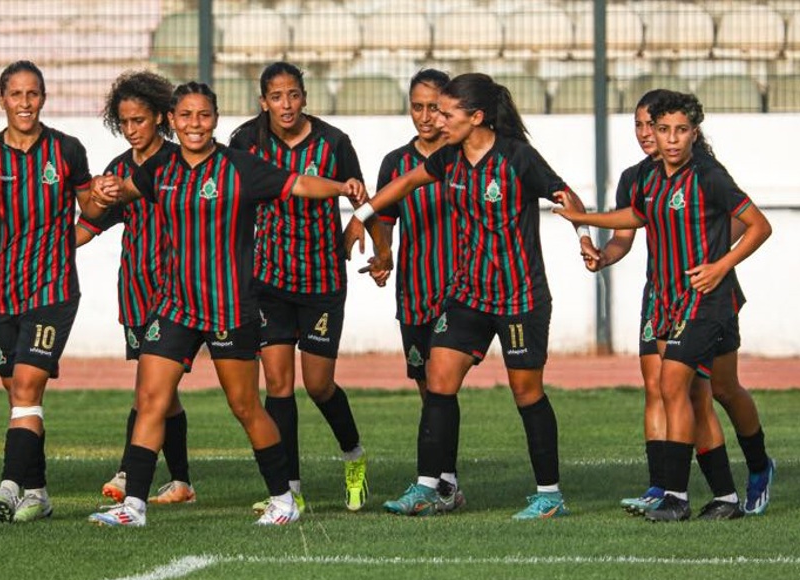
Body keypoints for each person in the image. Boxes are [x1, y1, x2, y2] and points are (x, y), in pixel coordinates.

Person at [85, 82, 393, 527]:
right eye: (186, 116)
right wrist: (103, 192)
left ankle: (283, 499)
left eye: (204, 116)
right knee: (151, 400)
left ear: (215, 119)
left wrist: (341, 188)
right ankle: (133, 506)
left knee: (246, 405)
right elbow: (119, 198)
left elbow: (300, 183)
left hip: (229, 308)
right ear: (172, 120)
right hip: (174, 307)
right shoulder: (160, 167)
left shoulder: (239, 167)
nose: (195, 124)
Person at [357, 73, 584, 520]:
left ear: (476, 117)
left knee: (527, 392)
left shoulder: (516, 157)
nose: (438, 121)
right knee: (438, 380)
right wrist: (361, 215)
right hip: (468, 297)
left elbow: (564, 193)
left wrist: (585, 234)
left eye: (446, 113)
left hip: (519, 297)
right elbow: (403, 184)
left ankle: (550, 494)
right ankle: (431, 487)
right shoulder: (448, 159)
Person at [556, 91, 773, 521]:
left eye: (678, 130)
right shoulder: (644, 178)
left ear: (694, 132)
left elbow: (756, 225)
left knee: (699, 388)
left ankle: (730, 476)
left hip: (707, 300)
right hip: (665, 301)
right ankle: (716, 497)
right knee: (688, 391)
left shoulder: (708, 175)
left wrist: (718, 264)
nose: (662, 137)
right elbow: (632, 220)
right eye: (655, 128)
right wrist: (585, 223)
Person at [0, 61, 99, 524]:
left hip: (53, 290)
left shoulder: (67, 149)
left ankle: (10, 486)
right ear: (2, 101)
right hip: (4, 294)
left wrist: (103, 196)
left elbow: (89, 205)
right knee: (20, 397)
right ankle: (39, 492)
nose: (25, 102)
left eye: (33, 94)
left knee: (28, 386)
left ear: (44, 98)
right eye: (16, 94)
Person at [229, 62, 369, 513]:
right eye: (276, 96)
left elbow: (362, 198)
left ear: (304, 97)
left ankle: (354, 456)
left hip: (322, 279)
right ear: (263, 100)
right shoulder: (246, 141)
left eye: (293, 95)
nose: (285, 105)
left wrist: (370, 238)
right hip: (267, 280)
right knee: (277, 384)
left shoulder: (334, 142)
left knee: (319, 385)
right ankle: (289, 489)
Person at [76, 71, 196, 505]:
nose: (131, 130)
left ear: (160, 118)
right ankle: (180, 481)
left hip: (177, 296)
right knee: (163, 393)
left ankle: (131, 471)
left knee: (151, 389)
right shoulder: (118, 169)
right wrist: (47, 247)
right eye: (124, 122)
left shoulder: (181, 161)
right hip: (136, 294)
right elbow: (90, 223)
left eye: (139, 121)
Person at [372, 68, 464, 513]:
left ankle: (442, 481)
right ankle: (444, 478)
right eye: (417, 107)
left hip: (462, 289)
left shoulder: (467, 153)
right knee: (428, 388)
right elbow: (383, 220)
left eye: (434, 107)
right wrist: (384, 254)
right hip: (415, 291)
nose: (426, 117)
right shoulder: (395, 162)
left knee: (442, 385)